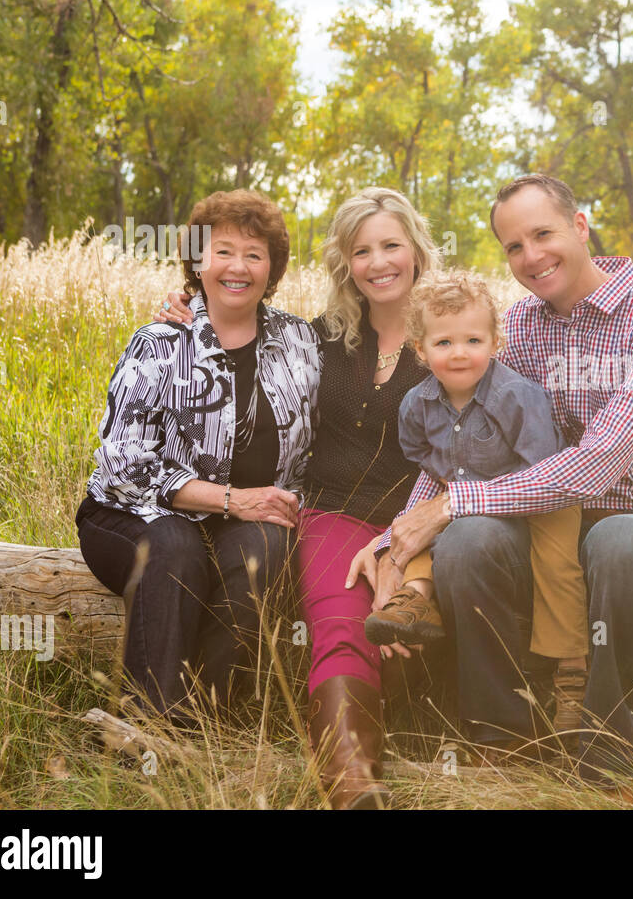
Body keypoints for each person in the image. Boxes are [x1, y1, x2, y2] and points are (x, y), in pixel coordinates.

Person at [348, 174, 633, 781]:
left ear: (581, 226)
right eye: (514, 246)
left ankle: (604, 751)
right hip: (539, 532)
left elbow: (595, 468)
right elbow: (459, 445)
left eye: (543, 234)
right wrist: (399, 538)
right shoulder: (520, 327)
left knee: (614, 539)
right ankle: (504, 736)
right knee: (466, 538)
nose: (531, 257)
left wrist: (453, 503)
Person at [155, 187, 438, 808]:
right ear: (345, 264)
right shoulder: (318, 340)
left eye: (391, 245)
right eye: (361, 250)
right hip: (333, 514)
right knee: (343, 621)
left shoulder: (452, 334)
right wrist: (187, 307)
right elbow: (233, 331)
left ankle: (462, 738)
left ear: (417, 250)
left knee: (409, 629)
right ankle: (354, 786)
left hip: (428, 527)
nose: (379, 262)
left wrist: (405, 552)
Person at [76, 189, 321, 728]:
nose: (238, 267)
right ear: (198, 262)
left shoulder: (302, 342)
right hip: (133, 517)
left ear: (272, 267)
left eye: (254, 254)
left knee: (266, 545)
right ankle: (148, 727)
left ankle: (204, 724)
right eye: (223, 251)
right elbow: (124, 468)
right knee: (175, 544)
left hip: (243, 524)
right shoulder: (160, 341)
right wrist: (231, 500)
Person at [364, 269, 589, 690]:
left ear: (494, 343)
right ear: (420, 349)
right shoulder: (417, 404)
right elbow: (431, 475)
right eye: (443, 342)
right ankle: (414, 601)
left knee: (558, 566)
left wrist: (476, 501)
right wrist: (393, 541)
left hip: (540, 498)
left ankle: (569, 668)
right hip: (466, 501)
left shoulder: (515, 396)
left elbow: (546, 473)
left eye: (473, 341)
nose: (460, 353)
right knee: (423, 532)